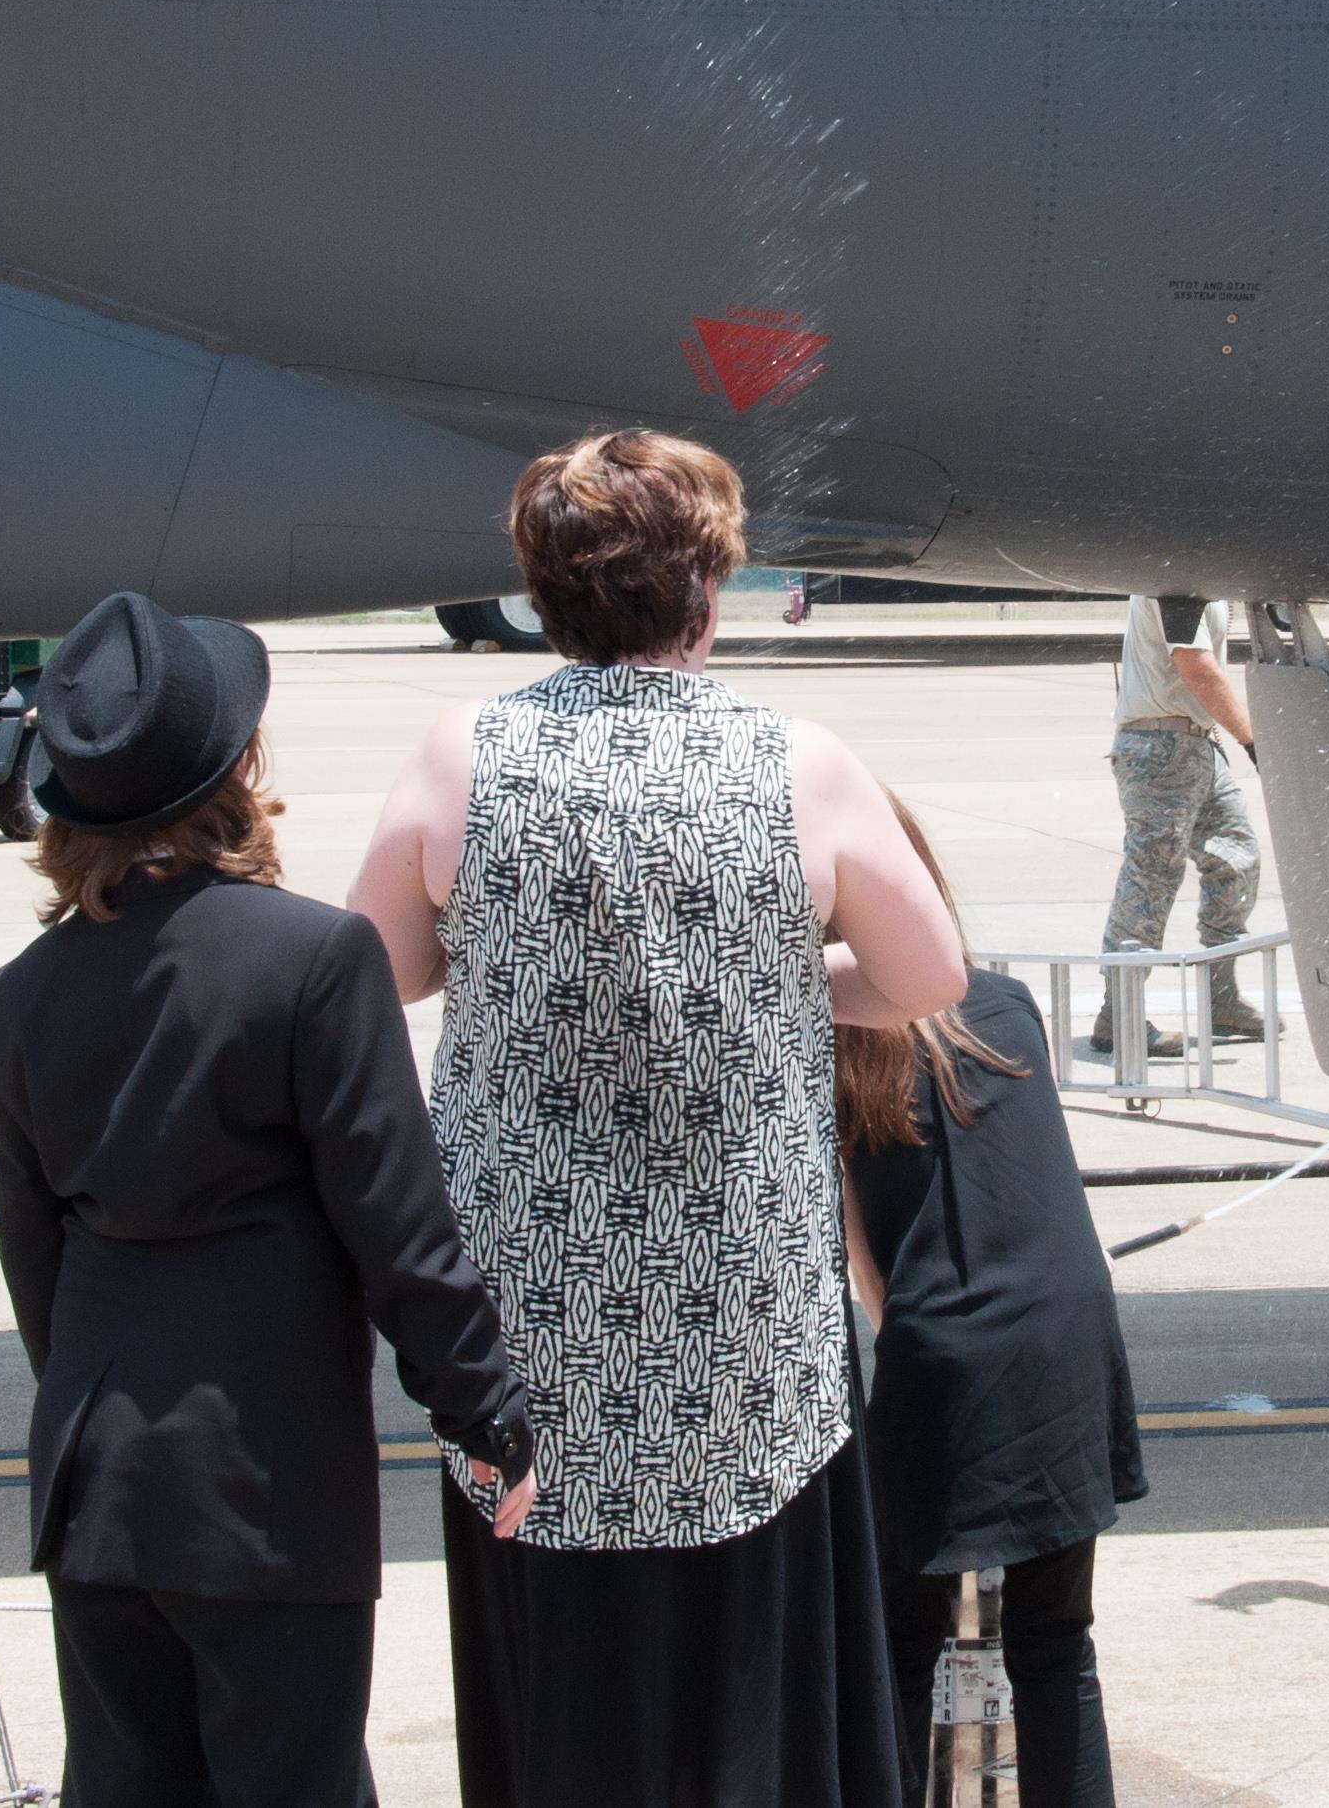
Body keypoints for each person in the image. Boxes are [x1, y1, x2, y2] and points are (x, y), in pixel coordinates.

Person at [350, 429, 968, 1808]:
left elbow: (371, 971)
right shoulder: (793, 760)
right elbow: (930, 975)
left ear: (544, 589)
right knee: (754, 1694)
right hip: (745, 1351)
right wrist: (782, 974)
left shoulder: (469, 752)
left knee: (560, 1700)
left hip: (538, 1348)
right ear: (706, 590)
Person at [0, 592, 536, 1808]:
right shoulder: (313, 959)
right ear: (237, 768)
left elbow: (37, 1270)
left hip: (97, 1479)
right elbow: (397, 1218)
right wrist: (483, 1407)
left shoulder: (13, 998)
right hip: (265, 1481)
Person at [838, 798, 1145, 1808]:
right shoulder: (1007, 1004)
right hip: (1066, 1337)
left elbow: (863, 1266)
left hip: (943, 1345)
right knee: (1059, 1642)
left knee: (896, 1635)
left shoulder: (821, 1045)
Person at [1091, 596, 1264, 1058]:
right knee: (1151, 877)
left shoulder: (1204, 578)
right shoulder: (1171, 579)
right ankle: (1120, 1013)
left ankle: (1222, 996)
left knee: (1236, 860)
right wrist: (1254, 741)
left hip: (1199, 742)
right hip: (1160, 745)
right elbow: (1198, 669)